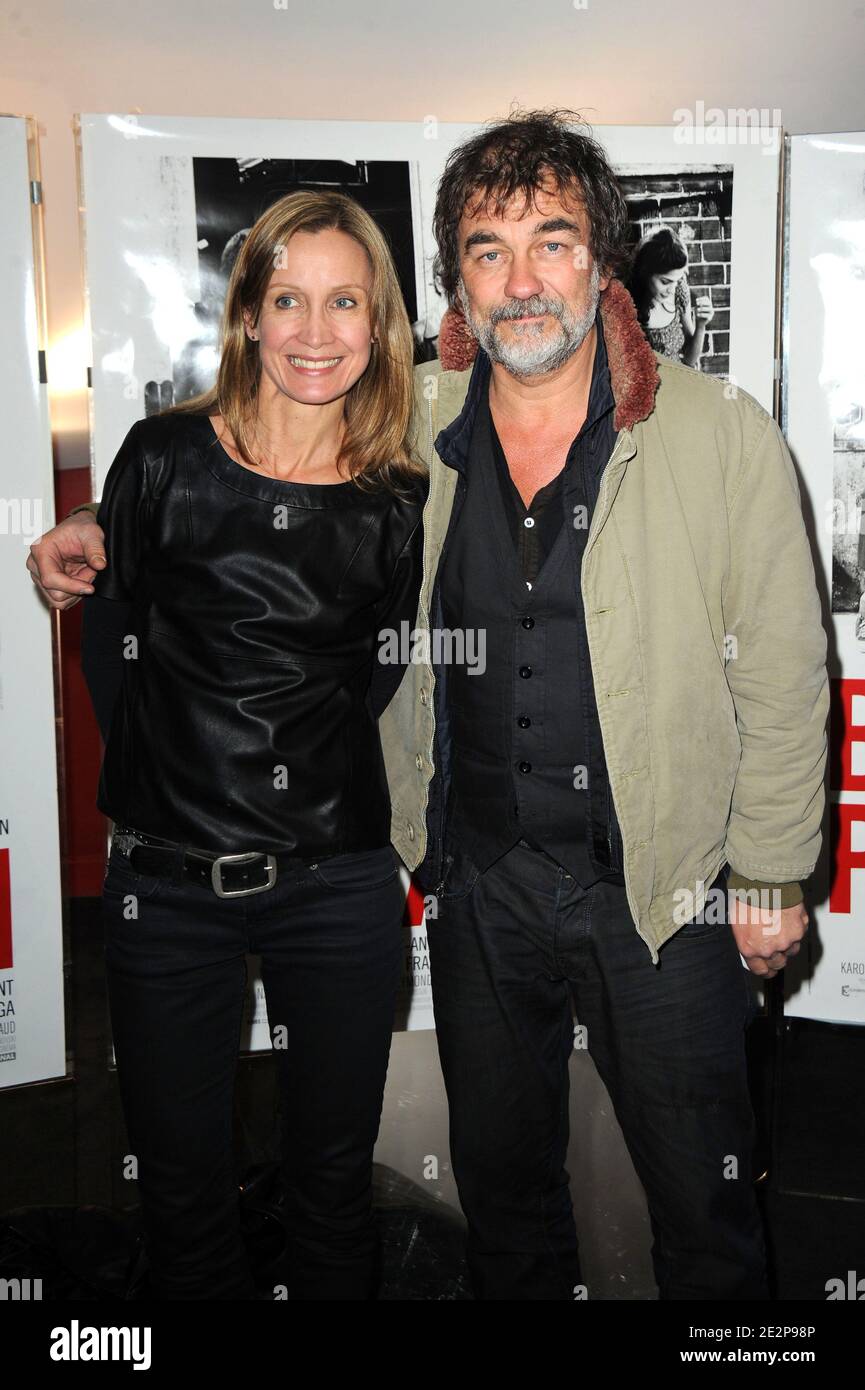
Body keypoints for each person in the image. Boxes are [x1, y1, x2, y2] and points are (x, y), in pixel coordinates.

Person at [31, 109, 830, 1303]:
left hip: (665, 888)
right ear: (453, 277)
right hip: (479, 886)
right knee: (502, 1197)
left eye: (552, 243)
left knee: (702, 1211)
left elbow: (778, 661)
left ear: (601, 259)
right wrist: (100, 525)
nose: (522, 281)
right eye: (489, 250)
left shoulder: (717, 436)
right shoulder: (405, 420)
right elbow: (254, 461)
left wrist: (769, 873)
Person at [33, 189, 426, 1300]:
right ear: (247, 312)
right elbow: (112, 643)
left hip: (337, 885)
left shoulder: (398, 498)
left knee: (331, 1190)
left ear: (378, 320)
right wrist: (172, 791)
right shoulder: (160, 458)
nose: (314, 329)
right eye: (287, 298)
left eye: (343, 301)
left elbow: (374, 672)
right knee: (182, 1197)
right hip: (168, 891)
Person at [626, 224, 714, 367]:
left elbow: (689, 360)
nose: (672, 289)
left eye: (677, 280)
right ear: (645, 273)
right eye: (665, 281)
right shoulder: (626, 303)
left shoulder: (679, 290)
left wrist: (701, 325)